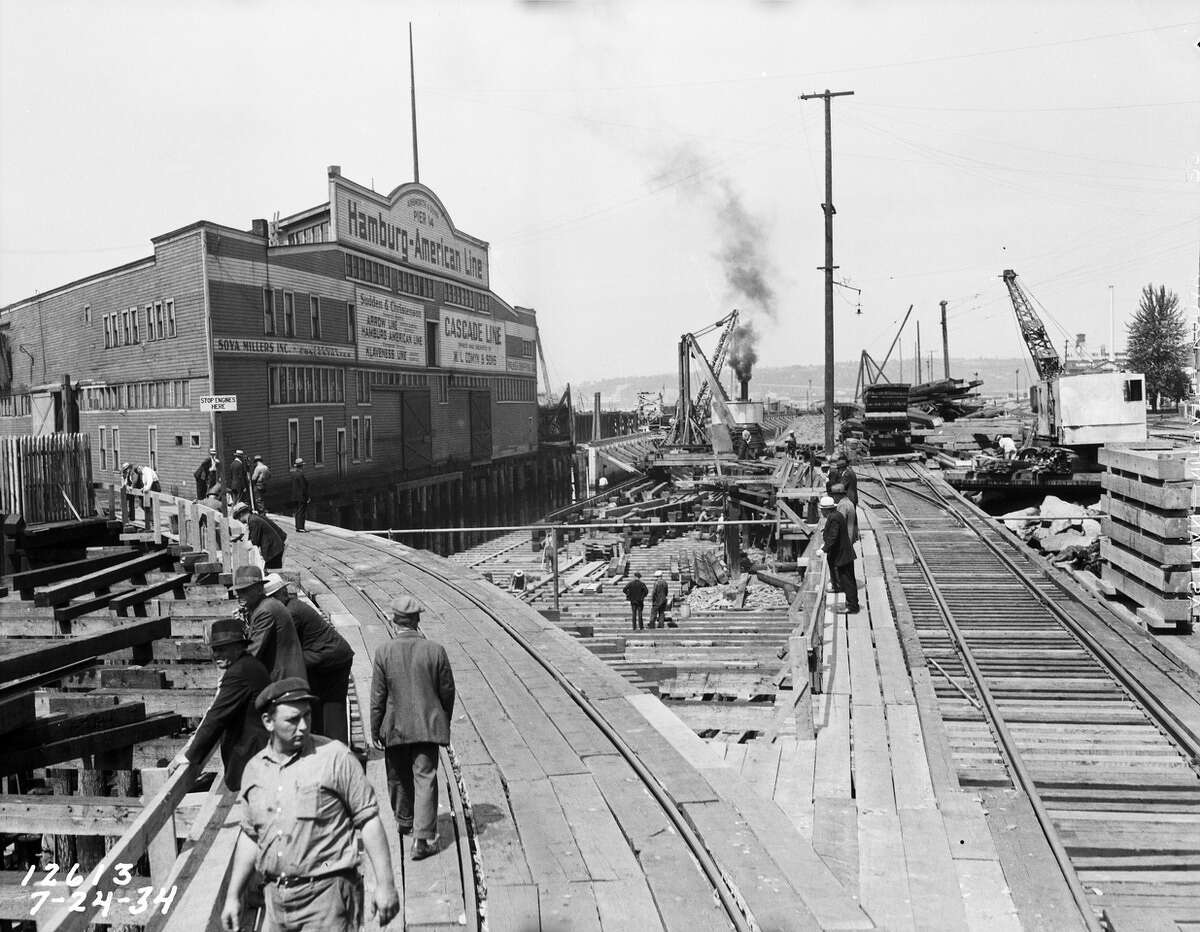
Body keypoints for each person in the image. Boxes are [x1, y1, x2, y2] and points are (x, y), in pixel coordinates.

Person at [221, 678, 400, 932]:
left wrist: (386, 885)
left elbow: (369, 820)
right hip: (275, 900)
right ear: (268, 722)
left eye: (307, 716)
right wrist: (232, 896)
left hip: (327, 898)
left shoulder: (335, 757)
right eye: (292, 720)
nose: (303, 726)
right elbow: (250, 836)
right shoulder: (254, 770)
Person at [370, 596, 455, 861]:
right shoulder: (436, 650)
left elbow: (377, 697)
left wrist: (376, 729)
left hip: (394, 727)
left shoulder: (383, 652)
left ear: (395, 621)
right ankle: (420, 839)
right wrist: (441, 720)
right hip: (427, 726)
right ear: (417, 621)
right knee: (425, 778)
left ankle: (404, 820)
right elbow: (447, 693)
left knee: (397, 776)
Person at [175, 618, 270, 791]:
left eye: (222, 649)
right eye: (214, 650)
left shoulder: (238, 673)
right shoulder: (250, 664)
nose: (216, 655)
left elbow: (217, 717)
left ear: (239, 647)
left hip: (253, 754)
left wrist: (191, 754)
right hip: (262, 750)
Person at [263, 574, 354, 744]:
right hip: (325, 658)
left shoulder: (290, 612)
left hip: (330, 658)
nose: (271, 603)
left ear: (283, 593)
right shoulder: (290, 607)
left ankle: (337, 749)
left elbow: (282, 644)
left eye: (273, 597)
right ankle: (325, 744)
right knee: (320, 704)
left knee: (333, 706)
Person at [231, 565, 306, 682]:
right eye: (238, 591)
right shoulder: (263, 607)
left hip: (285, 685)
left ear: (260, 589)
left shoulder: (265, 611)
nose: (239, 595)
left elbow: (252, 652)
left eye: (245, 590)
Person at [819, 495, 859, 614]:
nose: (821, 511)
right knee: (848, 580)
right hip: (844, 554)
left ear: (826, 509)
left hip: (843, 555)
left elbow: (833, 536)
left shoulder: (834, 518)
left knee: (847, 581)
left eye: (822, 509)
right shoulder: (836, 515)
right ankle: (851, 603)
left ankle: (852, 606)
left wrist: (824, 548)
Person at [234, 501, 288, 570]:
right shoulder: (253, 518)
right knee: (269, 571)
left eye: (238, 518)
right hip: (274, 549)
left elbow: (254, 541)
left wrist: (242, 548)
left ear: (241, 514)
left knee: (272, 572)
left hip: (273, 551)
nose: (239, 520)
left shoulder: (253, 521)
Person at [289, 459, 310, 532]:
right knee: (302, 512)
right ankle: (301, 527)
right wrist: (307, 497)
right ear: (301, 466)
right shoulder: (301, 475)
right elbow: (303, 487)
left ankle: (298, 526)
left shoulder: (293, 474)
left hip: (294, 496)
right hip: (301, 496)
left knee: (297, 512)